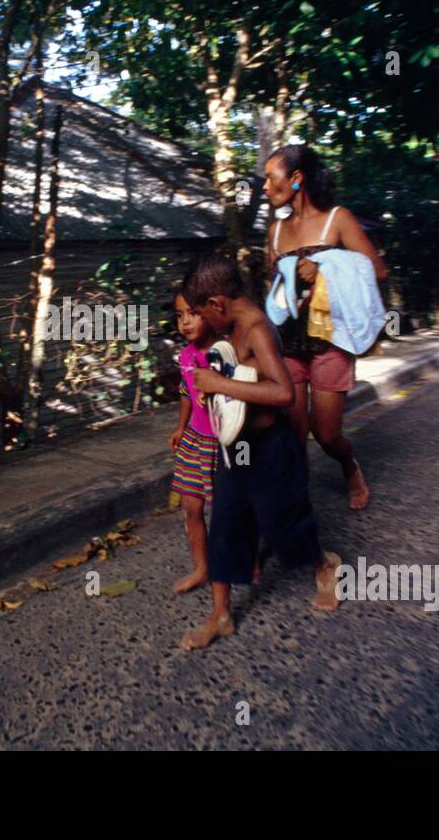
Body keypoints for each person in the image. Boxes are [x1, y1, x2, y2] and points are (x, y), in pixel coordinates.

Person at [178, 252, 340, 651]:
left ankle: (324, 564)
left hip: (270, 447)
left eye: (203, 313)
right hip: (237, 446)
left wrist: (218, 385)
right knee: (226, 524)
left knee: (284, 525)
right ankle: (221, 615)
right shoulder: (229, 326)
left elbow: (283, 392)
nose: (204, 322)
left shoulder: (256, 329)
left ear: (217, 304)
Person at [263, 144, 388, 510]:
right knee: (294, 432)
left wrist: (327, 267)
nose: (265, 187)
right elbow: (277, 290)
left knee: (327, 433)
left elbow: (376, 271)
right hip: (287, 343)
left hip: (330, 341)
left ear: (296, 179)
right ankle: (295, 515)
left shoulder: (338, 219)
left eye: (271, 178)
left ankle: (349, 466)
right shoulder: (274, 232)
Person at [168, 290, 221, 594]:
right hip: (195, 439)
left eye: (192, 313)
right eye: (179, 315)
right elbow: (186, 392)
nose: (185, 322)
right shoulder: (187, 354)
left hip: (223, 443)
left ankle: (249, 553)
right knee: (191, 507)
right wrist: (180, 426)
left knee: (231, 508)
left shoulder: (224, 352)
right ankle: (202, 568)